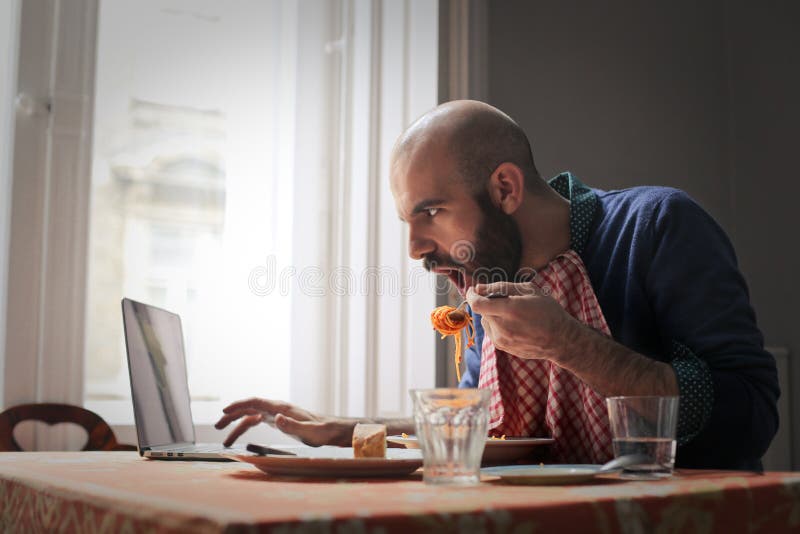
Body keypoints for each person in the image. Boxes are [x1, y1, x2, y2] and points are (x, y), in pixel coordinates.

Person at [216, 100, 779, 469]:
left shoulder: (657, 227)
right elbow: (486, 430)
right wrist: (348, 430)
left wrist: (569, 343)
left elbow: (752, 419)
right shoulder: (489, 279)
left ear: (506, 189)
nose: (414, 247)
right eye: (407, 222)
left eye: (431, 212)